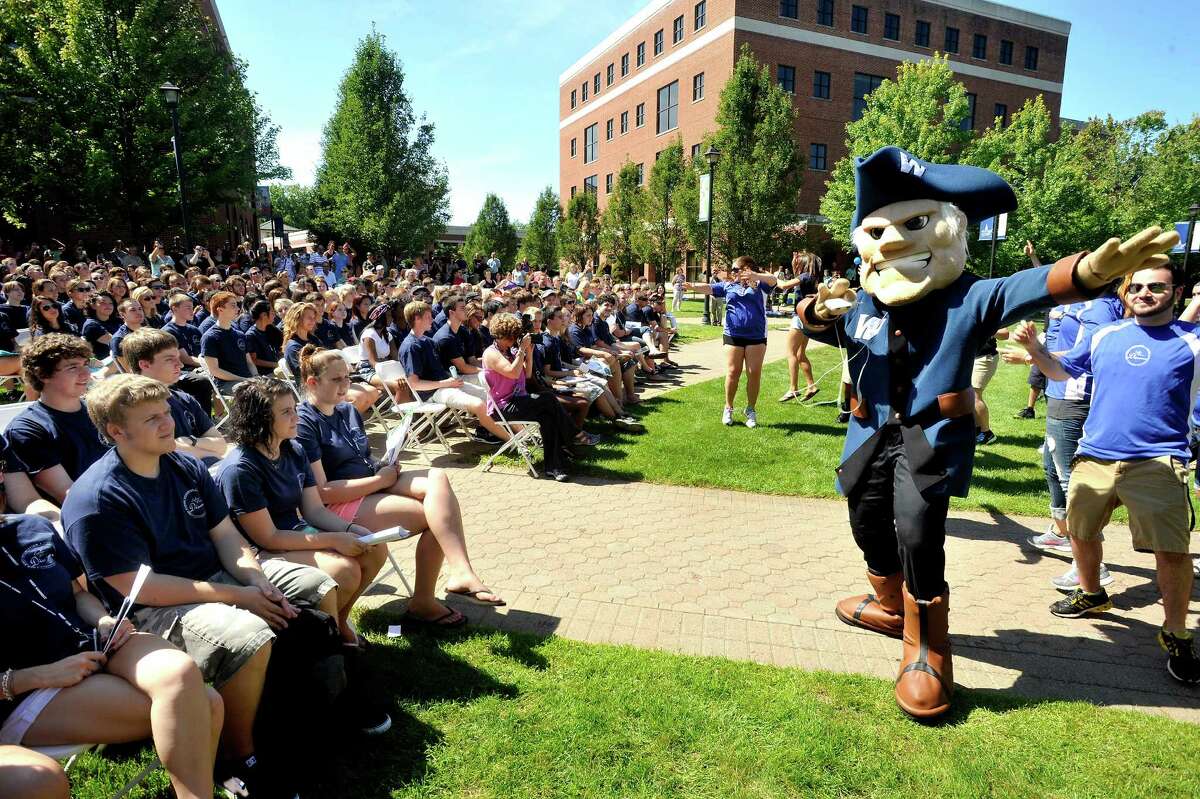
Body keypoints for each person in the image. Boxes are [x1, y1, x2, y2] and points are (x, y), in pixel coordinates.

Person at [799, 145, 1176, 718]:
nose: (893, 242)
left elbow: (1030, 287)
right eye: (878, 231)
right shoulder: (868, 300)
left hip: (927, 445)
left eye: (913, 226)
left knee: (919, 534)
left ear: (946, 232)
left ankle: (928, 648)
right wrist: (819, 311)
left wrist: (1091, 271)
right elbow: (824, 323)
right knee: (866, 522)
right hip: (868, 438)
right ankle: (889, 606)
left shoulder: (971, 295)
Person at [60, 374, 352, 795]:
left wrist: (257, 581)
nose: (168, 424)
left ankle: (315, 705)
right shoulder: (99, 498)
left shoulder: (183, 464)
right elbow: (142, 591)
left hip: (214, 576)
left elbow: (226, 536)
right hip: (149, 610)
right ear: (116, 431)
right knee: (246, 635)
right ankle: (241, 756)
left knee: (315, 584)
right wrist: (240, 596)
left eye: (166, 413)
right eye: (152, 419)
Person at [1012, 263, 1200, 684]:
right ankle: (1092, 594)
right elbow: (1063, 371)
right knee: (1080, 533)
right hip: (1094, 457)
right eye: (1137, 286)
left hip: (1158, 462)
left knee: (1171, 551)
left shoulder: (1193, 342)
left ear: (1177, 291)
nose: (1145, 293)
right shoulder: (1105, 335)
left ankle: (1176, 631)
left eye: (1157, 287)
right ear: (1125, 290)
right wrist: (1037, 349)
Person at [0, 512, 222, 799]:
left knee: (180, 675)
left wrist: (104, 622)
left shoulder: (32, 527)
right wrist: (40, 675)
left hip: (94, 645)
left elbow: (78, 595)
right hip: (28, 689)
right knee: (204, 704)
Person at [296, 345, 503, 625]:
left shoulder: (347, 411)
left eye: (347, 377)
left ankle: (460, 571)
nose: (346, 385)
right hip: (336, 505)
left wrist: (384, 464)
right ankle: (424, 602)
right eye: (336, 380)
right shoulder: (305, 421)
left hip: (370, 482)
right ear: (312, 382)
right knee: (431, 518)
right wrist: (379, 480)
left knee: (437, 478)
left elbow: (358, 458)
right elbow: (322, 491)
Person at [216, 377, 390, 648]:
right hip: (258, 552)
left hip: (293, 534)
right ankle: (325, 648)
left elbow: (314, 510)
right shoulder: (241, 469)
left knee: (375, 548)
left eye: (295, 408)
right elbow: (267, 538)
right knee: (344, 570)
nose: (296, 416)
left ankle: (337, 625)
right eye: (286, 412)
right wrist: (332, 540)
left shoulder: (293, 449)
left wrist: (348, 530)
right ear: (259, 419)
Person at [1005, 289, 1123, 591]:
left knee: (1072, 480)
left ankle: (1092, 564)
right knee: (1052, 467)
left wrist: (1031, 355)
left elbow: (1090, 352)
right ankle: (1061, 532)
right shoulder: (1072, 303)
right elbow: (1058, 341)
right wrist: (1035, 347)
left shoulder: (1100, 307)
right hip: (1058, 394)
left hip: (1075, 398)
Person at [4, 335, 109, 504]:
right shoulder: (27, 430)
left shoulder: (101, 410)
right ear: (43, 374)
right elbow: (68, 494)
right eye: (73, 367)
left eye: (85, 364)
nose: (86, 373)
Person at [399, 301, 511, 443]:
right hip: (432, 392)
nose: (432, 320)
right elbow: (414, 384)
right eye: (428, 317)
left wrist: (450, 381)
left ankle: (504, 431)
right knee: (478, 404)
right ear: (416, 318)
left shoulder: (428, 341)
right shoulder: (411, 346)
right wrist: (445, 383)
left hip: (446, 384)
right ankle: (512, 441)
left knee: (490, 397)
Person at [684, 257, 777, 428]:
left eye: (735, 269)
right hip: (733, 334)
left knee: (754, 372)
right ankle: (728, 407)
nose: (732, 272)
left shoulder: (761, 285)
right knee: (733, 372)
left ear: (746, 269)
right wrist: (693, 286)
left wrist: (755, 275)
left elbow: (774, 280)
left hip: (756, 336)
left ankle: (751, 410)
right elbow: (710, 288)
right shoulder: (728, 286)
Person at [483, 313, 576, 481]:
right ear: (500, 336)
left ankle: (554, 466)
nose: (513, 340)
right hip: (504, 407)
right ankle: (572, 435)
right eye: (511, 337)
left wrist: (529, 352)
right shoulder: (491, 353)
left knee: (548, 417)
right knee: (547, 398)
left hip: (519, 401)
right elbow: (512, 372)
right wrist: (521, 350)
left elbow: (526, 374)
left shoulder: (510, 350)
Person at [122, 328, 233, 465]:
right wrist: (205, 451)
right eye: (170, 359)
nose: (180, 365)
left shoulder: (184, 399)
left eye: (178, 358)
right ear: (144, 364)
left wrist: (190, 441)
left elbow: (221, 445)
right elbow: (162, 456)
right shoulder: (131, 408)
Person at [778, 251, 822, 403]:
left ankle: (793, 389)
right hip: (809, 319)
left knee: (790, 352)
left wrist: (772, 277)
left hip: (799, 318)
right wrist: (793, 261)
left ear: (802, 264)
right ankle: (811, 386)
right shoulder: (814, 277)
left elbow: (783, 285)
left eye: (797, 263)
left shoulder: (804, 277)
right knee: (800, 354)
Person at [200, 291, 256, 393]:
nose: (238, 309)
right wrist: (244, 380)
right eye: (233, 306)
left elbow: (249, 363)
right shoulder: (210, 337)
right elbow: (215, 370)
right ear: (220, 309)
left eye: (237, 305)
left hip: (247, 380)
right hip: (227, 383)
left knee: (277, 387)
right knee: (256, 392)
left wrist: (256, 377)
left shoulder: (240, 335)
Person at [80, 292, 120, 360]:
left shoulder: (117, 320)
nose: (108, 306)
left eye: (111, 303)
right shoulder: (91, 325)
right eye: (103, 303)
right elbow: (117, 344)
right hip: (105, 363)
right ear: (93, 306)